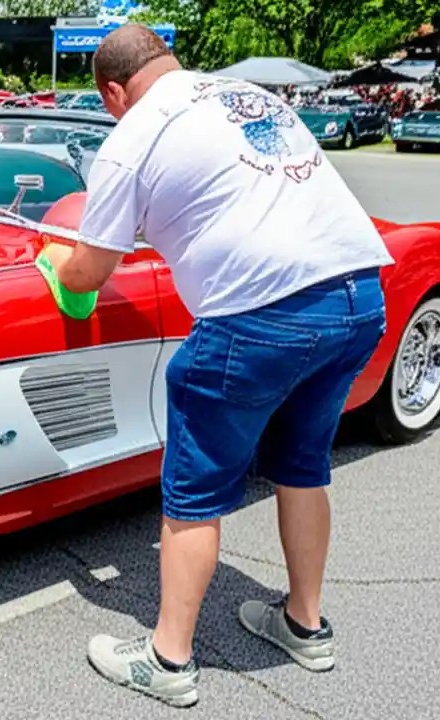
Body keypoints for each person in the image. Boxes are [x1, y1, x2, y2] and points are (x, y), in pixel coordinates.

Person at [38, 25, 393, 707]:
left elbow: (89, 269)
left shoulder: (132, 135)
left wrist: (55, 260)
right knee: (303, 466)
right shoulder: (248, 96)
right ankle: (304, 625)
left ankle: (168, 662)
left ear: (113, 91)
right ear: (168, 62)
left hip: (258, 314)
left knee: (193, 494)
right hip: (357, 295)